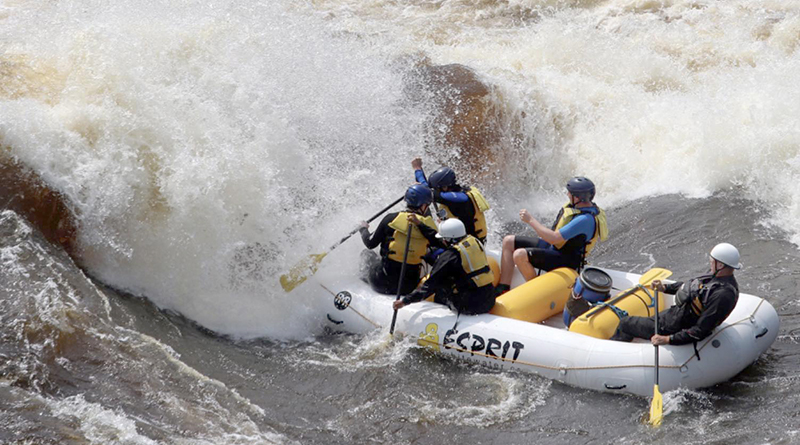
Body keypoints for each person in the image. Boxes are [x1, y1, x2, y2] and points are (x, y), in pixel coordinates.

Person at [610, 243, 741, 348]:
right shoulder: (713, 276)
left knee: (626, 323)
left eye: (711, 261)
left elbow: (701, 330)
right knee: (649, 319)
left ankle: (615, 352)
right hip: (674, 315)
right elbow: (690, 287)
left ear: (720, 264)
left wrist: (668, 339)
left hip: (673, 327)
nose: (709, 262)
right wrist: (665, 287)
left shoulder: (723, 295)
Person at [494, 177, 608, 296]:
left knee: (520, 255)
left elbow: (553, 238)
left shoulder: (585, 219)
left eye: (570, 193)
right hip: (555, 248)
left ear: (578, 197)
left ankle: (537, 292)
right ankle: (504, 287)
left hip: (567, 259)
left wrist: (530, 220)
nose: (567, 194)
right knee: (508, 241)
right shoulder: (577, 208)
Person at [393, 219, 496, 315]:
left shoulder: (448, 257)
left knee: (440, 286)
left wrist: (405, 301)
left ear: (448, 239)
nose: (442, 241)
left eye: (443, 239)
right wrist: (420, 224)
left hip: (470, 306)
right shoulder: (474, 241)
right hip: (490, 299)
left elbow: (428, 287)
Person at [359, 184, 442, 295]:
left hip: (381, 282)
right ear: (423, 206)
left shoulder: (391, 219)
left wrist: (363, 229)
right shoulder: (431, 228)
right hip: (408, 287)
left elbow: (370, 243)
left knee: (367, 254)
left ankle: (361, 283)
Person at [411, 158, 490, 243]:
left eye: (437, 189)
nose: (437, 191)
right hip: (463, 238)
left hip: (471, 242)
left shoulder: (459, 199)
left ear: (445, 187)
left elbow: (429, 192)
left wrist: (418, 170)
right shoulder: (459, 190)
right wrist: (418, 169)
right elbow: (428, 188)